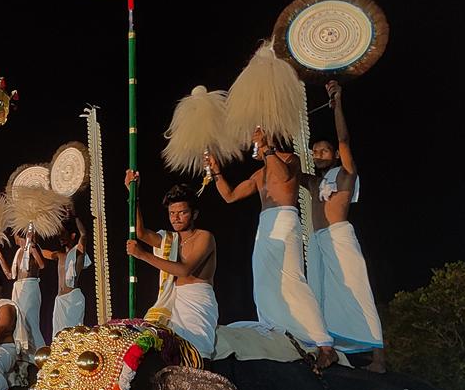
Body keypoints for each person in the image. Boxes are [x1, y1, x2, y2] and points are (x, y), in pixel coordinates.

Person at [209, 127, 337, 368]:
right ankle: (277, 331)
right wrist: (216, 171)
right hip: (266, 225)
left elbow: (283, 179)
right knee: (264, 282)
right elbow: (230, 195)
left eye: (258, 144)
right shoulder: (259, 174)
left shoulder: (290, 160)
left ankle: (324, 344)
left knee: (292, 280)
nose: (255, 148)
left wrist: (268, 148)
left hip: (285, 219)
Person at [305, 81, 386, 372]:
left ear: (335, 155)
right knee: (319, 293)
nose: (319, 154)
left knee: (356, 289)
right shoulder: (313, 182)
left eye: (325, 151)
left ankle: (378, 358)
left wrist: (337, 104)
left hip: (339, 236)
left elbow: (344, 140)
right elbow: (284, 174)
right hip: (317, 240)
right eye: (315, 151)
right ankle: (328, 349)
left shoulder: (346, 174)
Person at [125, 175, 219, 356]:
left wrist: (142, 255)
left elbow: (184, 270)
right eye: (171, 213)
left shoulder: (204, 237)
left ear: (195, 214)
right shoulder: (169, 239)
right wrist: (133, 193)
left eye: (182, 212)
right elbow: (140, 232)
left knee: (195, 352)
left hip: (198, 300)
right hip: (173, 301)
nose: (175, 218)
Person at [0, 230, 47, 349]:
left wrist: (32, 247)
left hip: (30, 287)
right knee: (19, 322)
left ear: (20, 236)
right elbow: (9, 275)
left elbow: (42, 265)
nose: (14, 238)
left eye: (15, 235)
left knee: (30, 322)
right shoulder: (18, 252)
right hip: (18, 288)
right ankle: (24, 353)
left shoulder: (33, 247)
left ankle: (39, 352)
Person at [44, 215, 91, 339]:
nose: (60, 237)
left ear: (72, 236)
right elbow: (41, 252)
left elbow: (84, 235)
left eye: (63, 233)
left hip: (72, 300)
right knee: (58, 337)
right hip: (60, 301)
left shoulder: (78, 253)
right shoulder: (59, 255)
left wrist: (75, 216)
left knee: (71, 335)